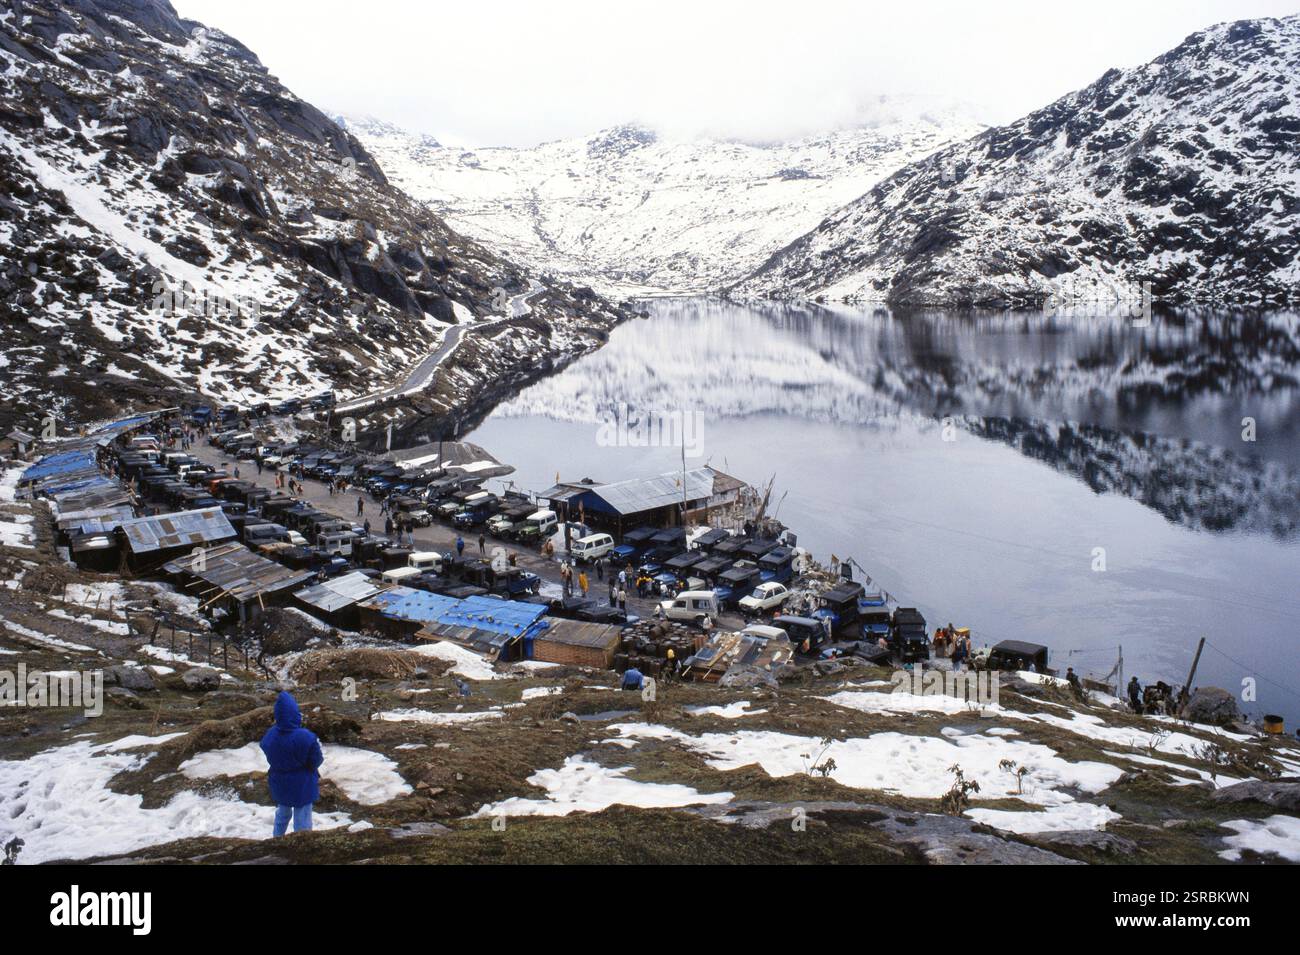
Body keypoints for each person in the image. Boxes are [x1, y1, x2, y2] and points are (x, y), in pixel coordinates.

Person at [259, 691, 324, 837]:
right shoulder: (306, 736)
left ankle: (277, 838)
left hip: (279, 780)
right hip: (302, 782)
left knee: (282, 812)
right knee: (303, 818)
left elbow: (264, 746)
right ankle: (302, 845)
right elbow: (316, 759)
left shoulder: (270, 734)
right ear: (295, 713)